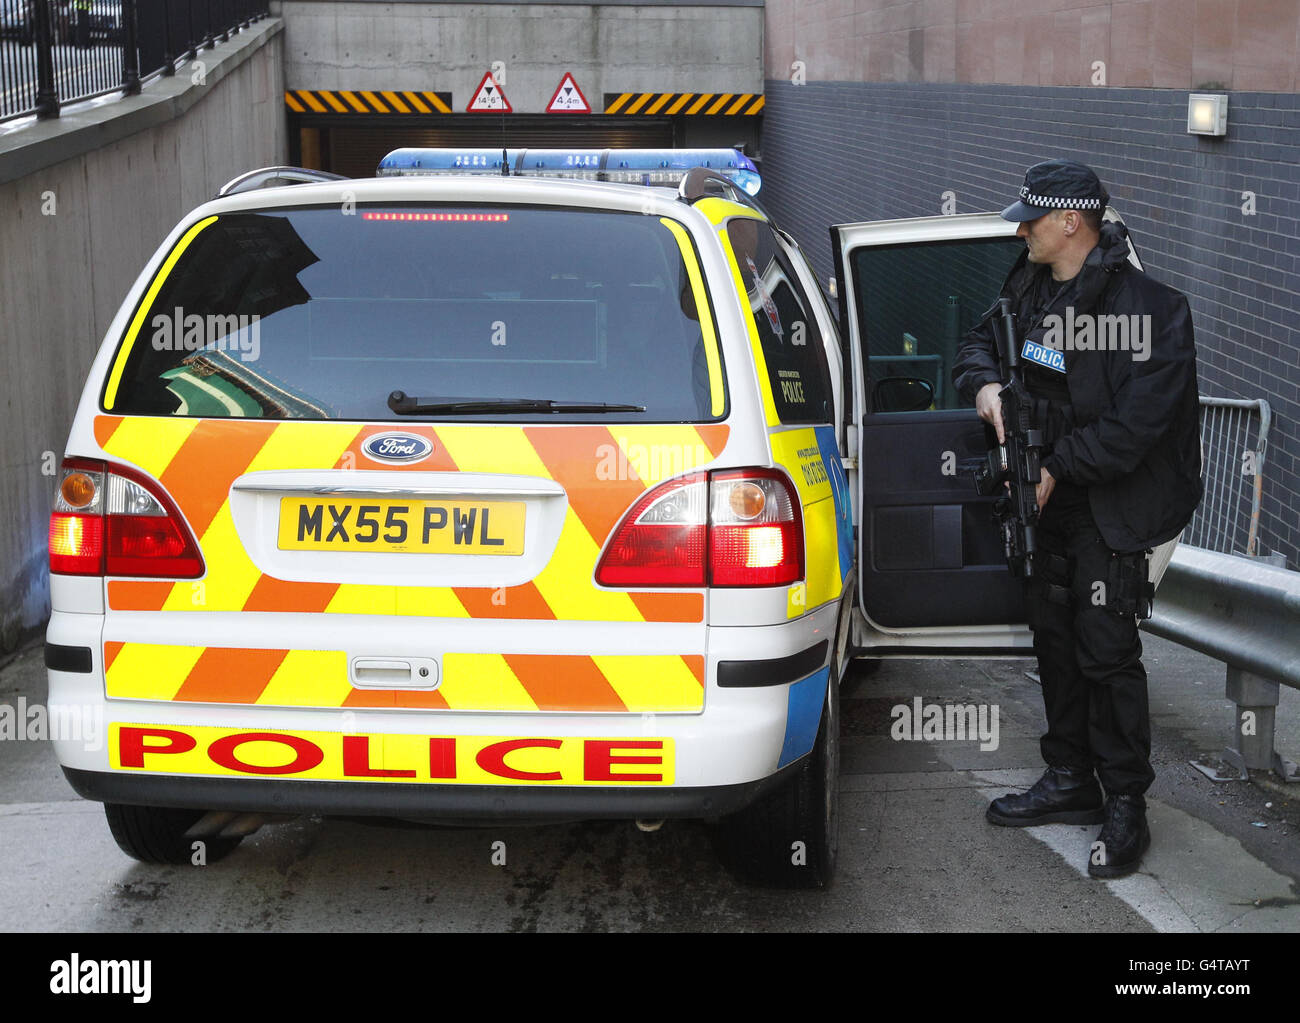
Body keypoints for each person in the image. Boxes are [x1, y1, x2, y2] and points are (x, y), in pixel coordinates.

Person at [952, 159, 1202, 878]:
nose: (1020, 231)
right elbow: (977, 344)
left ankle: (1125, 803)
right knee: (1054, 639)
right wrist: (987, 389)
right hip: (1047, 500)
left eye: (1030, 219)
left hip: (1111, 506)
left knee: (1106, 650)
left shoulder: (1151, 311)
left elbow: (1133, 429)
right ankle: (1069, 778)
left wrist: (1055, 467)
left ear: (1070, 221)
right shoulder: (1029, 285)